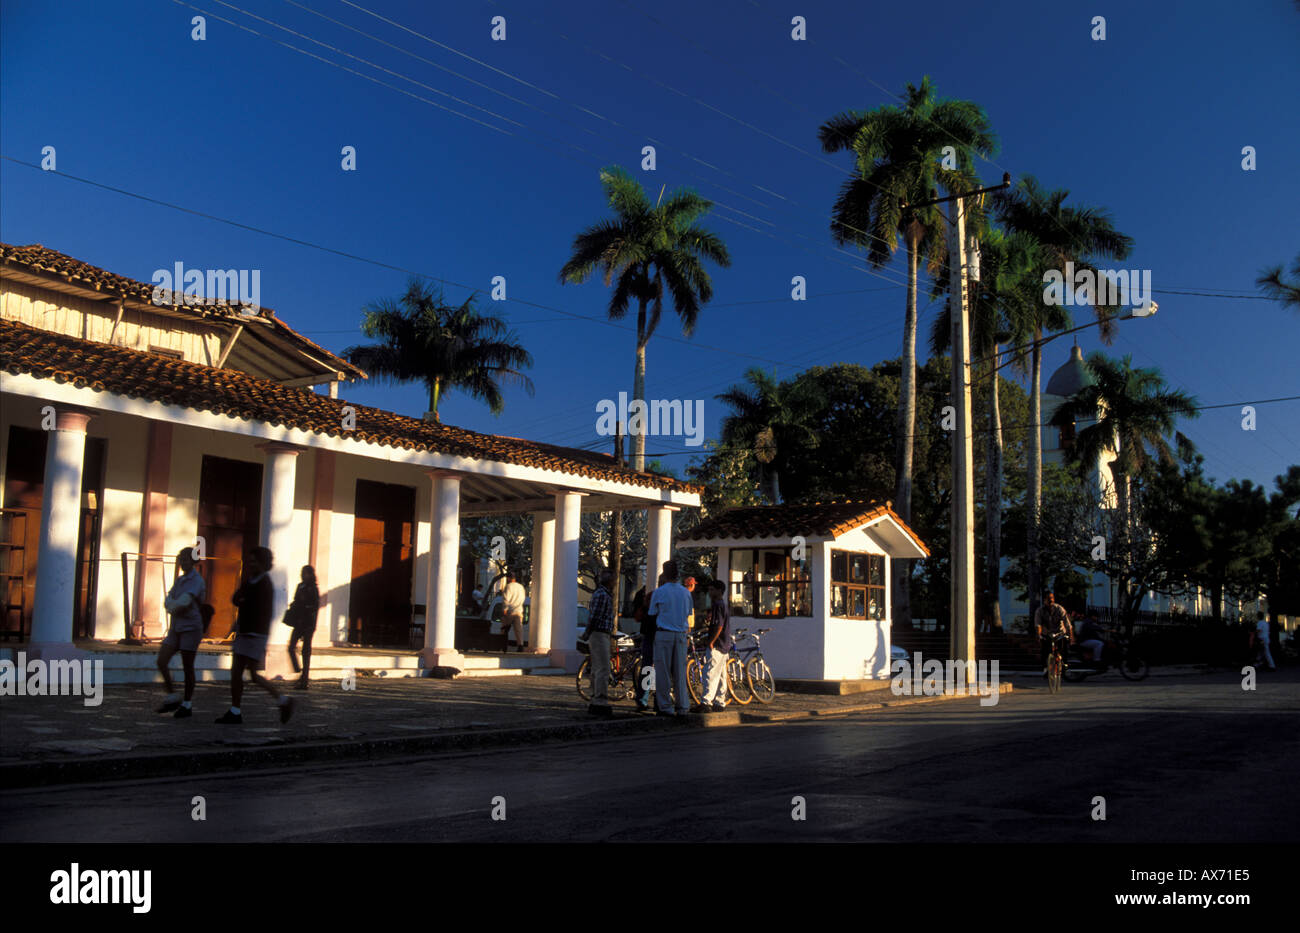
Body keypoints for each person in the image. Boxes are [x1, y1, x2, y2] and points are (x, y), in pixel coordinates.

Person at [216, 547, 293, 725]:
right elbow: (236, 599)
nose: (251, 564)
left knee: (249, 674)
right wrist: (244, 600)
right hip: (245, 632)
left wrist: (245, 601)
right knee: (241, 674)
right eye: (250, 561)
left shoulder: (264, 584)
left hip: (255, 634)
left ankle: (282, 701)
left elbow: (256, 608)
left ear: (263, 563)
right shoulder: (250, 580)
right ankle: (237, 710)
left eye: (255, 561)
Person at [156, 547, 206, 719]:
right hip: (176, 627)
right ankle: (171, 695)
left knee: (187, 666)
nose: (183, 562)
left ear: (193, 561)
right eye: (181, 559)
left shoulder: (196, 581)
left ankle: (187, 703)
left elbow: (184, 602)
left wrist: (172, 605)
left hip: (191, 628)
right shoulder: (180, 580)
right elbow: (168, 599)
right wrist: (172, 605)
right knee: (162, 660)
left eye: (186, 559)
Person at [649, 563, 694, 718]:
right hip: (681, 634)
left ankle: (666, 706)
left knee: (663, 672)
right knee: (680, 672)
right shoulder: (686, 593)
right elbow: (688, 612)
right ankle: (683, 706)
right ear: (678, 574)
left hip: (664, 633)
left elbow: (652, 612)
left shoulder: (659, 592)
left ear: (665, 574)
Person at [583, 570, 616, 716]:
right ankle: (600, 698)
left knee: (598, 667)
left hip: (601, 633)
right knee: (603, 668)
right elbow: (595, 617)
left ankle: (596, 695)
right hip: (599, 633)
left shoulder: (603, 594)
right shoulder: (602, 595)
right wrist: (588, 632)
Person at [286, 565, 320, 690]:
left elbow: (315, 605)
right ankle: (298, 670)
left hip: (308, 623)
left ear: (310, 574)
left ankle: (304, 679)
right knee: (290, 648)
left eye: (304, 573)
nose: (302, 575)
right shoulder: (300, 586)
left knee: (306, 651)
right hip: (298, 622)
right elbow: (296, 600)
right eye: (302, 573)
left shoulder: (313, 588)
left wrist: (304, 607)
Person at [700, 579, 731, 711]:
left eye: (712, 590)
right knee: (722, 674)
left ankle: (706, 702)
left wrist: (711, 641)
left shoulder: (717, 605)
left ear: (719, 591)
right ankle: (720, 701)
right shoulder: (722, 604)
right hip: (725, 643)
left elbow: (719, 625)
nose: (709, 592)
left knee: (710, 672)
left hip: (717, 644)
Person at [1034, 591, 1072, 674]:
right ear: (1044, 600)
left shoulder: (1059, 609)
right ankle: (1045, 668)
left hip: (1059, 632)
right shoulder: (1040, 611)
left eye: (1052, 598)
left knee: (1063, 646)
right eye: (1048, 598)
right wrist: (1038, 636)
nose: (1051, 600)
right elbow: (1038, 625)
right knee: (1045, 650)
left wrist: (1071, 636)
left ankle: (1064, 663)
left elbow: (1067, 624)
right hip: (1047, 633)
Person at [500, 572, 527, 651]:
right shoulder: (521, 587)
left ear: (508, 578)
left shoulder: (508, 587)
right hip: (519, 611)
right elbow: (523, 598)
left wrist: (504, 610)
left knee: (504, 629)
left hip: (510, 611)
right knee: (518, 630)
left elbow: (506, 599)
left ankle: (502, 646)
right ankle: (520, 645)